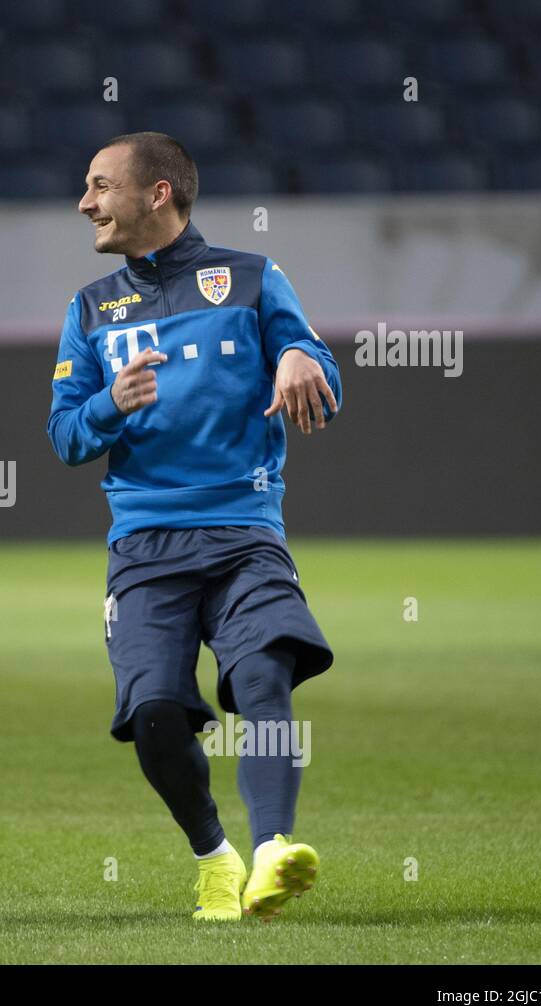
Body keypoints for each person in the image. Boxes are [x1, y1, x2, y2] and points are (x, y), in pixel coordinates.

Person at [47, 132, 342, 921]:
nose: (85, 203)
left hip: (245, 531)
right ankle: (216, 856)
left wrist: (298, 360)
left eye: (99, 185)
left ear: (158, 194)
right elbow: (66, 435)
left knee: (263, 675)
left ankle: (274, 847)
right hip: (146, 547)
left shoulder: (252, 279)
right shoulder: (91, 307)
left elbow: (317, 366)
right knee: (154, 717)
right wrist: (113, 403)